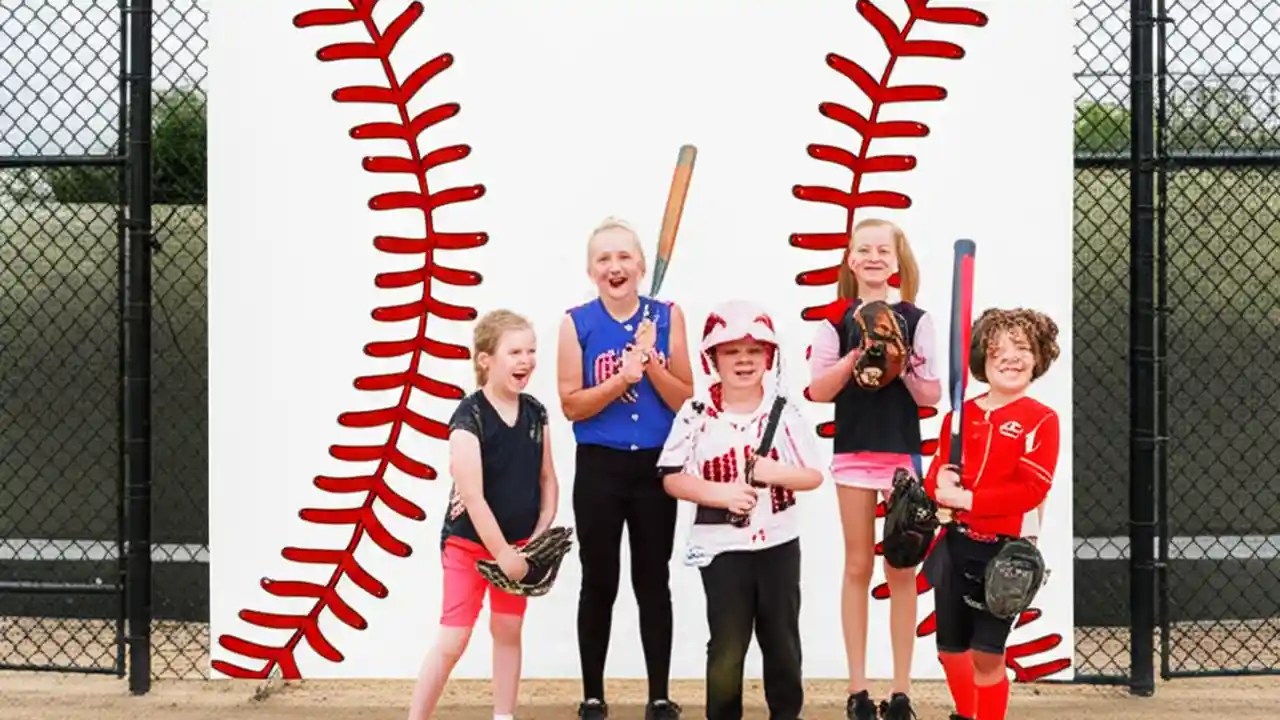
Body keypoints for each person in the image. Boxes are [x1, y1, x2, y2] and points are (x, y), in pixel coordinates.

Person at [658, 300, 825, 720]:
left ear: (769, 357)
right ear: (712, 358)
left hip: (779, 546)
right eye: (731, 351)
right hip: (721, 548)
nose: (744, 360)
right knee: (728, 647)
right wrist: (721, 495)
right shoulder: (695, 414)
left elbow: (813, 475)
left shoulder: (784, 413)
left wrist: (775, 471)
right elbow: (672, 477)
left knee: (782, 642)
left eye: (754, 351)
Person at [556, 218, 695, 720]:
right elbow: (572, 405)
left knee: (652, 580)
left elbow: (685, 398)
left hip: (655, 469)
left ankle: (659, 695)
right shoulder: (577, 323)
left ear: (640, 265)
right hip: (599, 468)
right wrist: (622, 379)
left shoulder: (667, 315)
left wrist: (652, 360)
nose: (615, 267)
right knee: (600, 579)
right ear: (591, 270)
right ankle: (593, 694)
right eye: (604, 259)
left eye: (623, 257)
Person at [804, 218, 943, 720]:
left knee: (901, 567)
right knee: (858, 565)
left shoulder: (915, 318)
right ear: (850, 259)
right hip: (854, 454)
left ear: (896, 258)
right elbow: (819, 389)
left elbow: (932, 394)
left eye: (883, 249)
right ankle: (858, 689)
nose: (873, 257)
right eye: (864, 249)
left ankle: (901, 690)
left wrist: (900, 362)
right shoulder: (834, 320)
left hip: (901, 456)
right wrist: (858, 355)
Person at [407, 309, 560, 720]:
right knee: (454, 638)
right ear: (485, 359)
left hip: (518, 546)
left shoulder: (535, 413)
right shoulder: (468, 417)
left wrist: (538, 537)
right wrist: (503, 555)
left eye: (530, 351)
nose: (526, 360)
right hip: (468, 545)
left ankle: (503, 715)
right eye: (514, 351)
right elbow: (472, 496)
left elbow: (548, 479)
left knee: (508, 630)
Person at [924, 307, 1062, 720]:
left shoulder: (1041, 419)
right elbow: (936, 478)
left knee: (987, 656)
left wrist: (968, 498)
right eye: (998, 348)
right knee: (950, 651)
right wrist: (938, 486)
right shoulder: (959, 416)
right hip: (955, 546)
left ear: (1038, 357)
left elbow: (1031, 489)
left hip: (1006, 556)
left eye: (1022, 348)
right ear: (982, 359)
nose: (1010, 357)